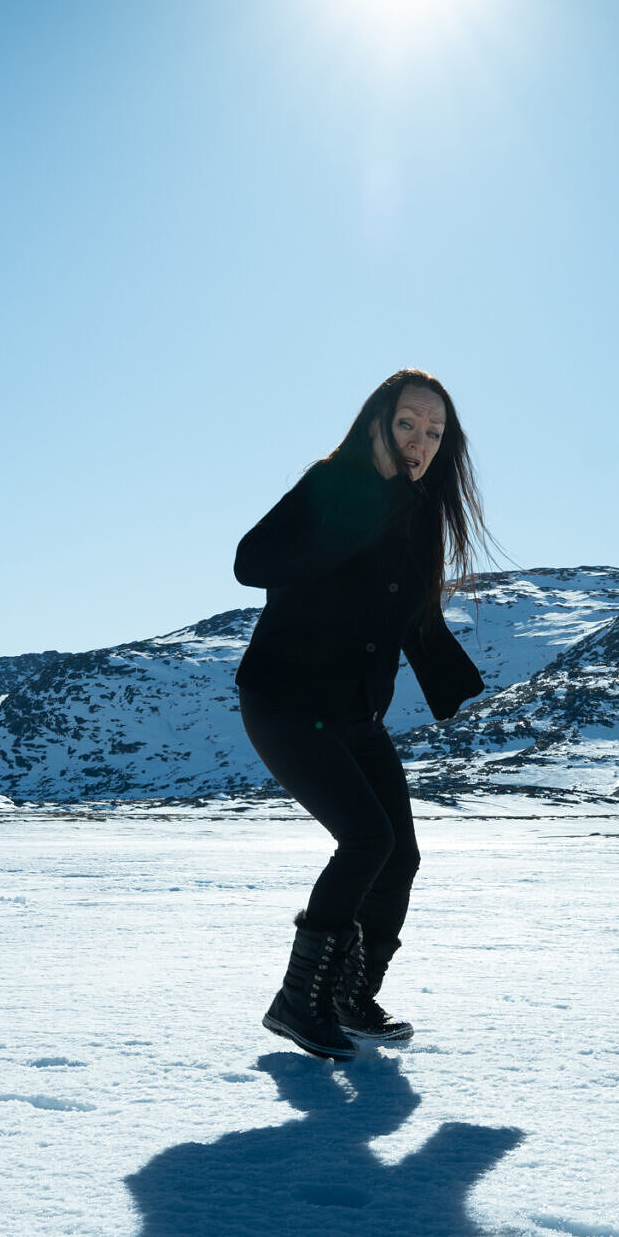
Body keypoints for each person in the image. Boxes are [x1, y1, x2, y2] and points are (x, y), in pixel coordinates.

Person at [234, 369, 492, 1060]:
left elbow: (412, 616)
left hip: (351, 712)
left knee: (399, 853)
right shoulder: (332, 482)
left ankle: (351, 995)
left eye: (434, 432)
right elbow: (250, 560)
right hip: (285, 700)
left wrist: (462, 691)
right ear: (378, 421)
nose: (419, 441)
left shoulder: (419, 512)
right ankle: (298, 1000)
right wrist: (352, 520)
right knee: (365, 839)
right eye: (408, 423)